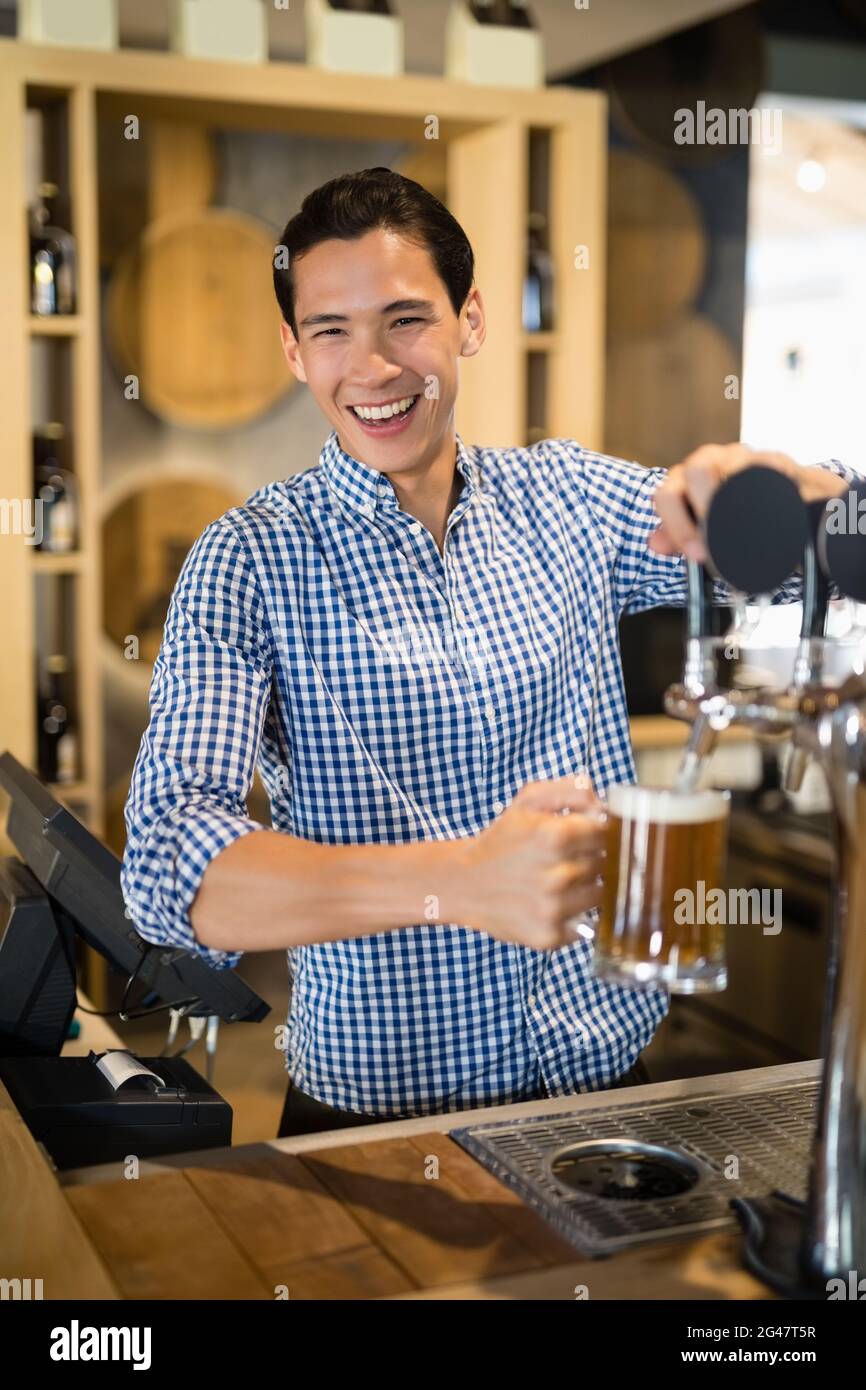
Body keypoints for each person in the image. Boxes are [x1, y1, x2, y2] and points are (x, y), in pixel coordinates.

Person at [120, 168, 855, 1137]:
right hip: (375, 1123)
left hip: (601, 1098)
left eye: (404, 320)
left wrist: (761, 484)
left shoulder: (565, 498)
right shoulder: (250, 557)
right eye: (331, 332)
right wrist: (459, 880)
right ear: (294, 353)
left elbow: (830, 558)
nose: (372, 367)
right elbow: (171, 871)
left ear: (469, 319)